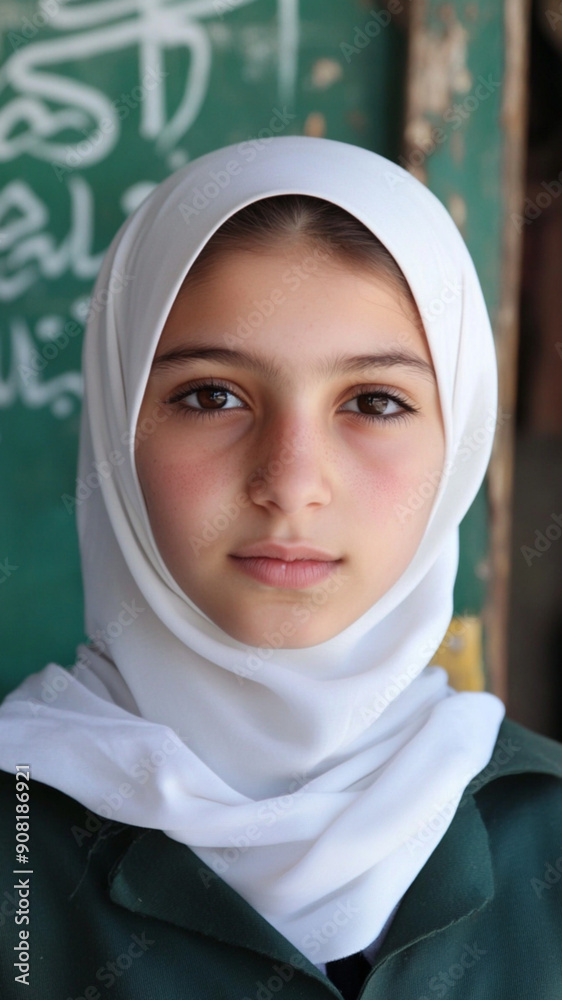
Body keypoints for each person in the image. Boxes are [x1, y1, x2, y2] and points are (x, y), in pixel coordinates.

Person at [0, 136, 561, 1000]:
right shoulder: (21, 845)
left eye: (374, 402)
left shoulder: (546, 834)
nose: (291, 483)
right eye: (212, 396)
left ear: (461, 444)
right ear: (117, 426)